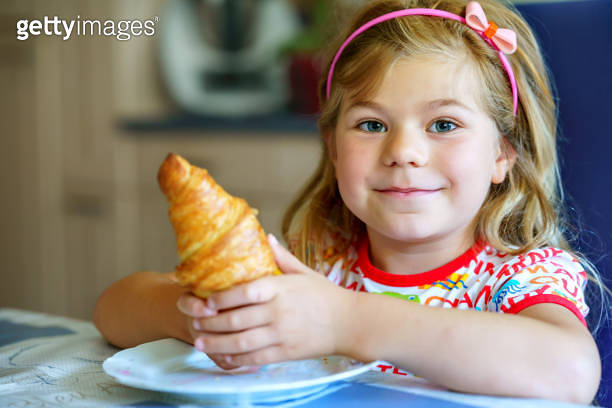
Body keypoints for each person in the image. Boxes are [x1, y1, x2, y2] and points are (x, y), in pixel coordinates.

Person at [94, 0, 605, 403]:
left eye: (444, 125)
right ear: (334, 149)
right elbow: (113, 309)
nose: (403, 151)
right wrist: (212, 324)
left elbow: (571, 372)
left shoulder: (523, 276)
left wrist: (343, 321)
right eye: (372, 124)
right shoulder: (320, 261)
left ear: (503, 154)